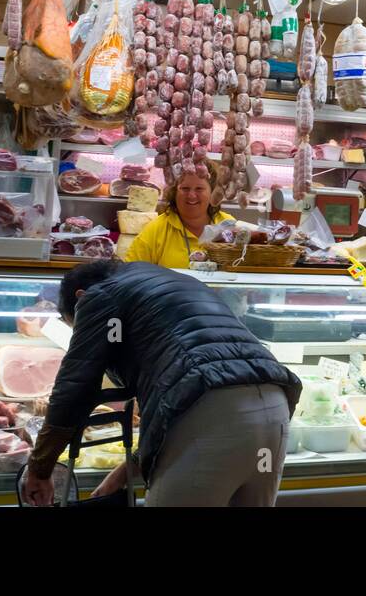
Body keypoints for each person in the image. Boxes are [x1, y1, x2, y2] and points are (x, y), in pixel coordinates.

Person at [20, 259, 301, 507]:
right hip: (273, 407)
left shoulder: (97, 296)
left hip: (210, 408)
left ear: (80, 298)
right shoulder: (168, 281)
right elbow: (185, 408)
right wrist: (122, 476)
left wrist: (40, 469)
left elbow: (73, 387)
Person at [121, 158, 233, 268]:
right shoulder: (157, 229)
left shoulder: (228, 225)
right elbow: (129, 272)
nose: (191, 195)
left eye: (199, 189)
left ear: (212, 192)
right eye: (185, 188)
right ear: (174, 192)